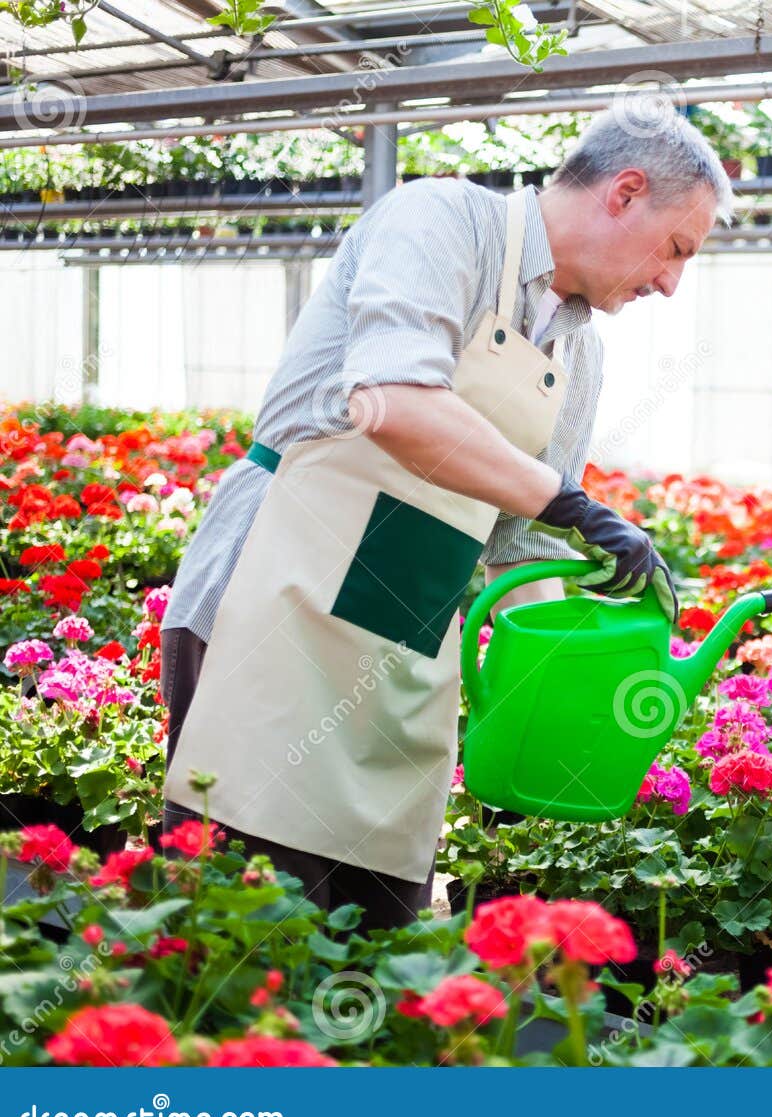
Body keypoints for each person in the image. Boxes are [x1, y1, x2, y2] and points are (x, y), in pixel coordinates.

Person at [158, 104, 731, 930]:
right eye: (677, 249)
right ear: (625, 192)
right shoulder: (442, 221)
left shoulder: (580, 351)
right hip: (275, 592)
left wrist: (564, 692)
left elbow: (521, 545)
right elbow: (392, 399)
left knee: (376, 927)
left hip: (406, 628)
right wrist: (569, 502)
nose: (671, 283)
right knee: (242, 913)